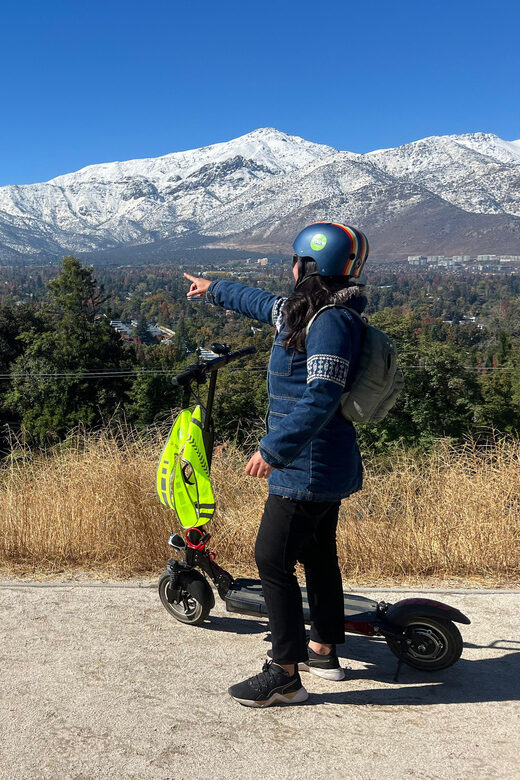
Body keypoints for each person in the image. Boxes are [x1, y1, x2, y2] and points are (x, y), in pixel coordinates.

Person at [184, 222, 369, 708]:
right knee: (317, 554)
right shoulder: (304, 311)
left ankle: (284, 675)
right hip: (320, 462)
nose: (288, 268)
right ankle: (323, 651)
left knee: (272, 558)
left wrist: (273, 449)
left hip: (307, 464)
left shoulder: (329, 321)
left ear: (308, 265)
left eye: (294, 259)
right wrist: (215, 290)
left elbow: (323, 393)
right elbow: (261, 302)